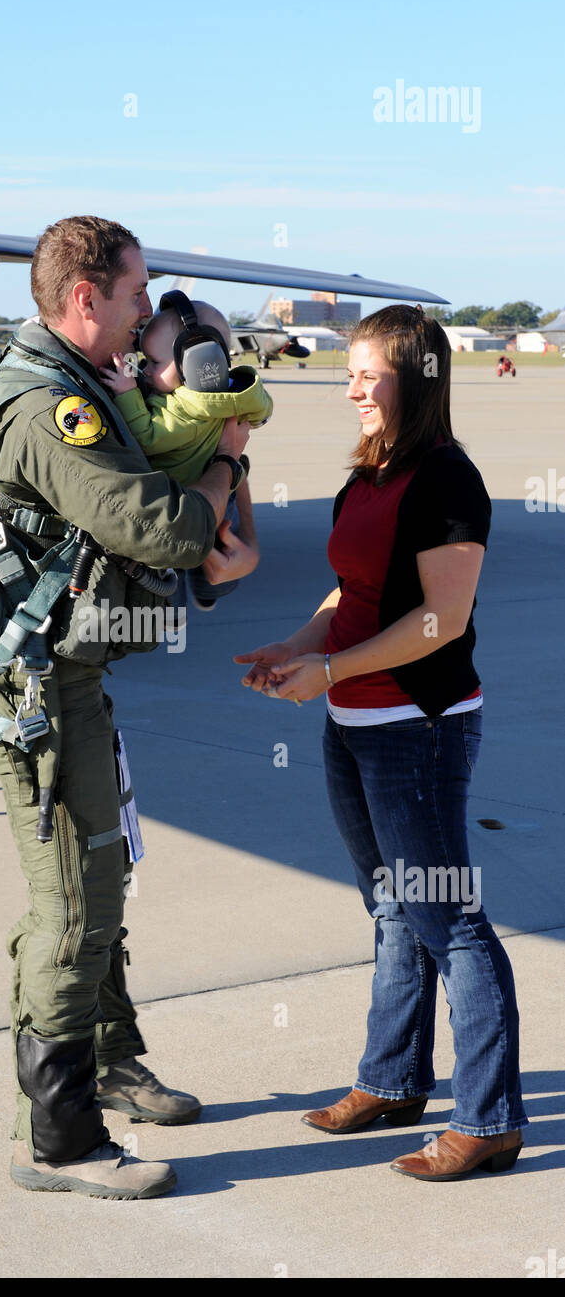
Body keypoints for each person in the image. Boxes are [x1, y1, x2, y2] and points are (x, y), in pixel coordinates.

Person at [0, 215, 257, 1199]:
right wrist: (229, 459)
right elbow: (161, 529)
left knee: (97, 882)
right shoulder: (49, 411)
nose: (139, 318)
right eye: (131, 298)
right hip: (38, 692)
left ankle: (106, 1061)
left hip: (70, 674)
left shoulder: (76, 387)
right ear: (85, 299)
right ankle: (61, 1140)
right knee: (71, 909)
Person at [235, 304, 528, 1181]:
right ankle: (392, 1081)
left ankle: (489, 1121)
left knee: (450, 922)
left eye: (369, 374)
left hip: (417, 732)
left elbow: (441, 621)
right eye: (350, 373)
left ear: (417, 379)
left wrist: (330, 672)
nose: (352, 388)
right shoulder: (367, 476)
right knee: (394, 910)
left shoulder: (446, 480)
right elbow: (349, 591)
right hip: (353, 726)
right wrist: (297, 647)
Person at [99, 295, 269, 610]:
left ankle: (173, 610)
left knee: (171, 556)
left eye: (154, 362)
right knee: (216, 542)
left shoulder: (186, 409)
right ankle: (209, 593)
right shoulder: (230, 393)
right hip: (222, 490)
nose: (145, 370)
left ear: (201, 364)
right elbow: (263, 408)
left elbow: (148, 436)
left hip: (182, 498)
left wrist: (127, 392)